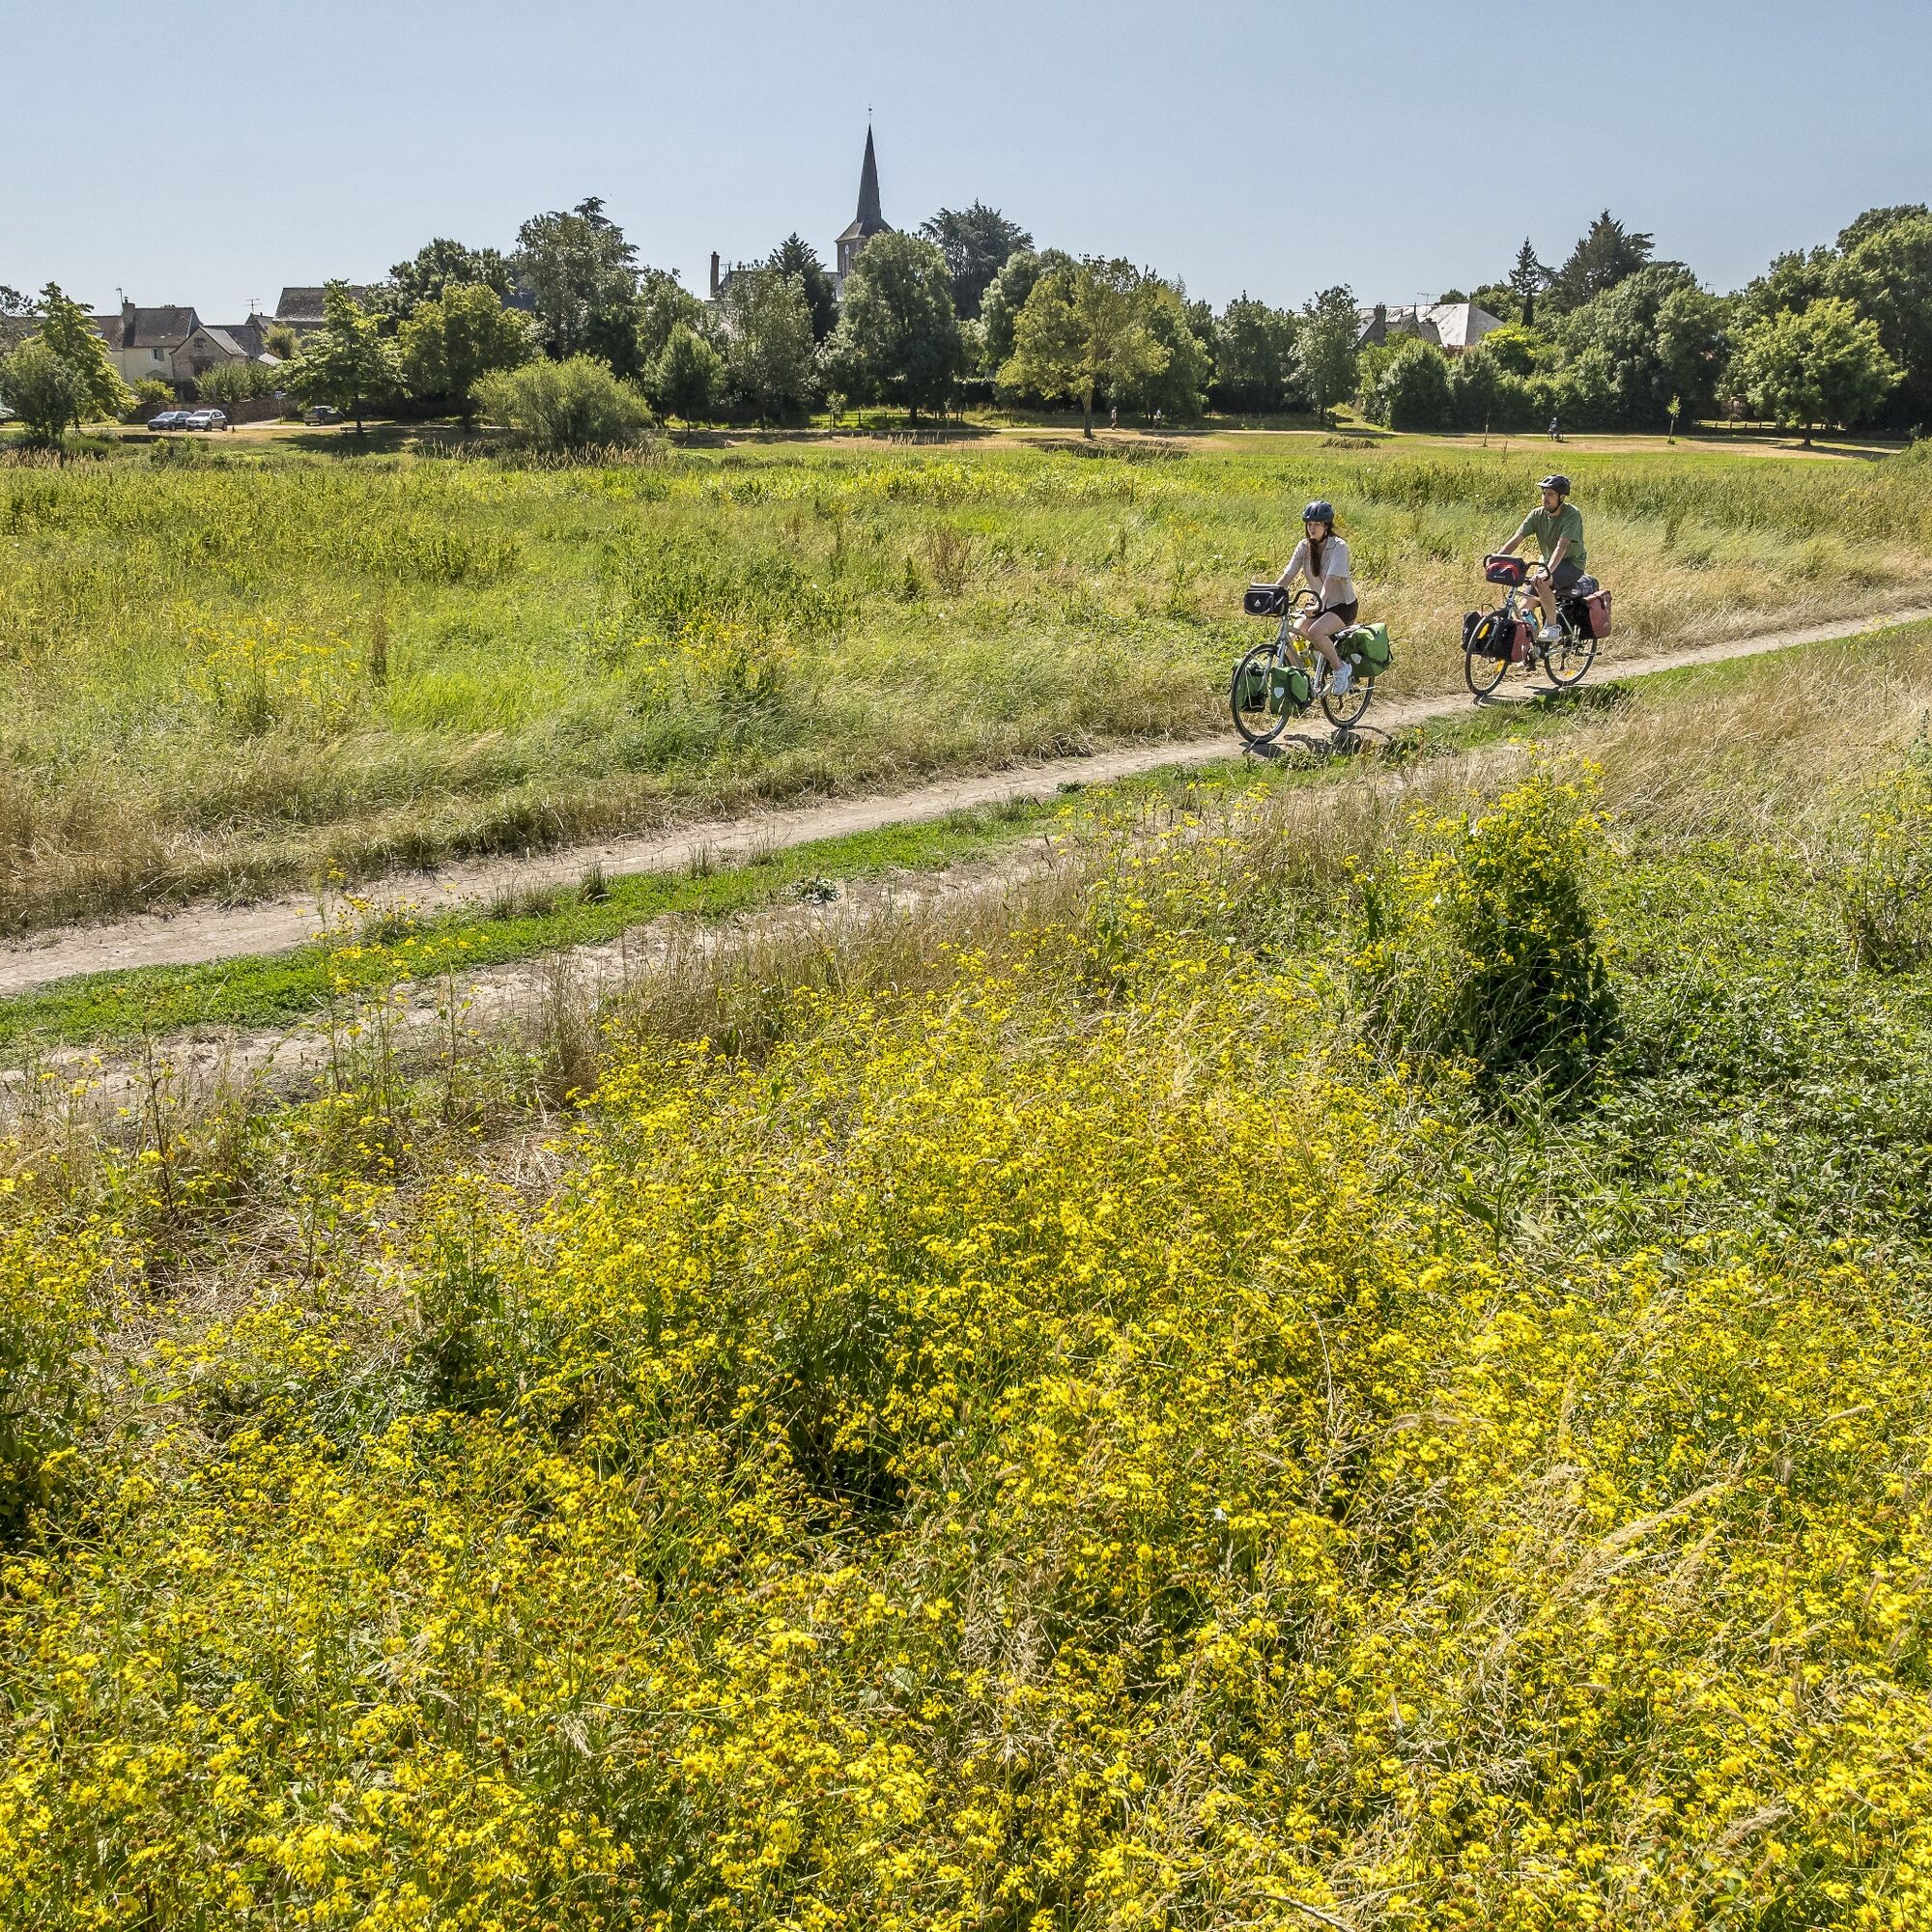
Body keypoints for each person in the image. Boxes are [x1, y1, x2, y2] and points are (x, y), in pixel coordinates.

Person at [1274, 499, 1361, 693]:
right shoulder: (1304, 547)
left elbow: (1330, 581)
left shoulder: (1339, 546)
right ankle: (1302, 681)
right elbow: (1288, 575)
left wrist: (1319, 604)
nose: (1312, 529)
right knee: (1290, 636)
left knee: (1315, 632)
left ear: (1326, 526)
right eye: (1309, 525)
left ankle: (1341, 669)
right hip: (1318, 604)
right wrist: (1270, 594)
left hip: (1341, 606)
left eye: (1317, 525)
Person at [1497, 472, 1585, 643]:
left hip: (1572, 564)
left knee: (1542, 581)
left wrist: (1546, 573)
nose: (1545, 498)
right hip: (1547, 563)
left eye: (1551, 495)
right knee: (1525, 608)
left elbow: (1561, 547)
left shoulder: (1572, 514)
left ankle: (1552, 627)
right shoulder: (1536, 515)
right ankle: (1533, 648)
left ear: (1562, 497)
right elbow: (1516, 539)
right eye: (1544, 494)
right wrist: (1497, 559)